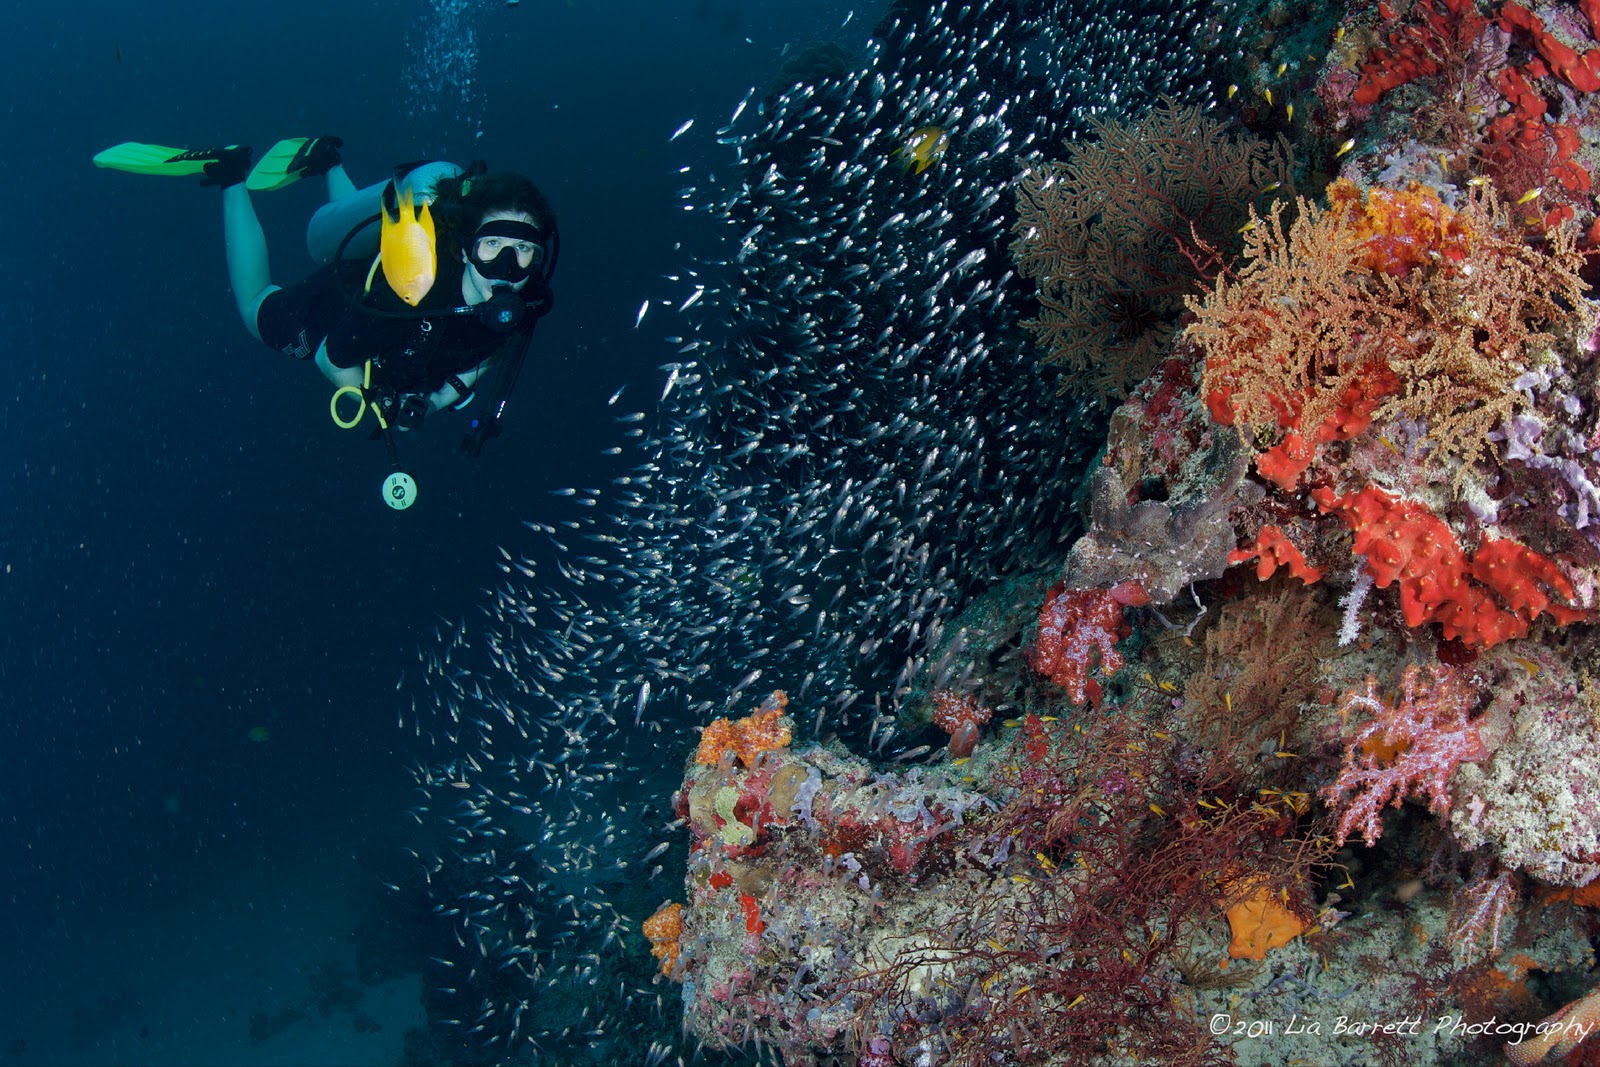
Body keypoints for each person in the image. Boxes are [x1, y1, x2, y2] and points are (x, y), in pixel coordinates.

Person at [93, 139, 557, 460]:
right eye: (492, 247)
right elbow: (330, 356)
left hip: (387, 257)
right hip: (347, 298)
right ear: (463, 245)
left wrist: (430, 404)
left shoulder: (517, 308)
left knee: (359, 233)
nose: (506, 271)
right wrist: (375, 403)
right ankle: (232, 176)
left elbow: (481, 361)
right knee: (258, 313)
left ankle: (327, 162)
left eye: (524, 255)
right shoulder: (411, 294)